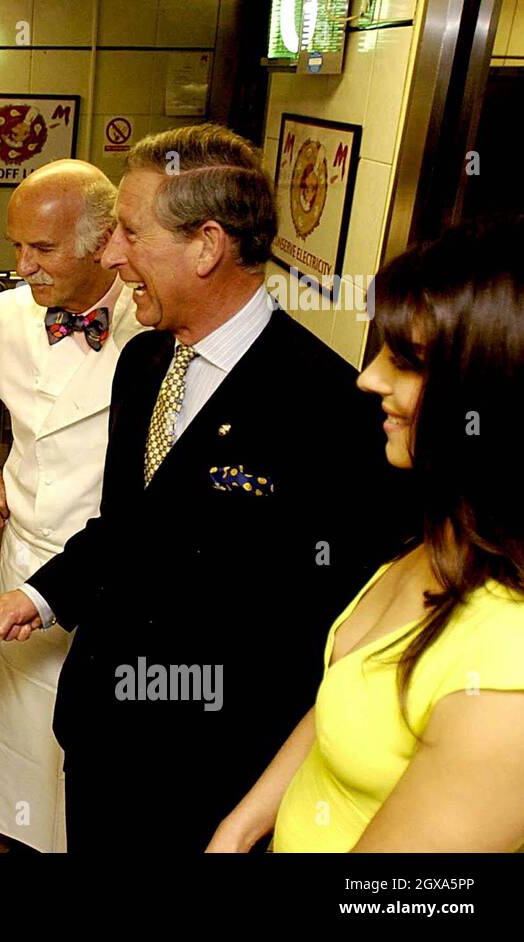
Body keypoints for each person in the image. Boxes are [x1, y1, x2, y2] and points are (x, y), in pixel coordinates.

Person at [0, 124, 413, 850]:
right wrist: (43, 594)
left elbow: (328, 631)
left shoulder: (332, 410)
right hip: (100, 735)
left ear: (207, 246)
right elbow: (128, 524)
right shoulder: (144, 361)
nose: (111, 256)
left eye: (132, 235)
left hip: (210, 777)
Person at [209, 216, 524, 853]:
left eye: (405, 362)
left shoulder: (504, 674)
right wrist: (240, 827)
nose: (369, 378)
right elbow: (351, 694)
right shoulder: (446, 537)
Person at [0, 159, 144, 853]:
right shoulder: (6, 316)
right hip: (28, 550)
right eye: (15, 245)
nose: (23, 266)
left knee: (97, 735)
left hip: (114, 563)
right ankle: (15, 833)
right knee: (23, 719)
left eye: (42, 249)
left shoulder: (152, 318)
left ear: (106, 240)